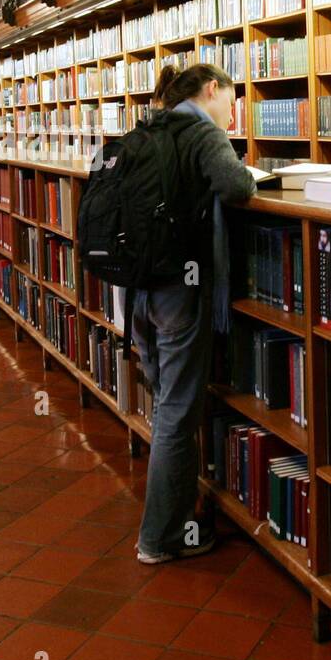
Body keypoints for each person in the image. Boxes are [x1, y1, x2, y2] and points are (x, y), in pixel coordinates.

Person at [131, 63, 256, 564]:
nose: (231, 113)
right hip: (181, 292)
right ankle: (161, 538)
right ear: (212, 90)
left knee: (166, 405)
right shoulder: (202, 132)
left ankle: (175, 517)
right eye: (231, 101)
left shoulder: (149, 127)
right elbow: (237, 188)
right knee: (178, 413)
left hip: (139, 290)